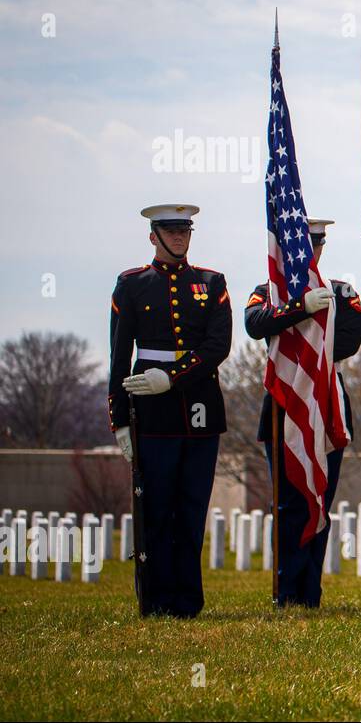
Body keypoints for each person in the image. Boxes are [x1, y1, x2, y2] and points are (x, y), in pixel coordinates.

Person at [108, 203, 232, 617]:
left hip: (198, 405)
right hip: (151, 408)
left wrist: (173, 376)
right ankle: (156, 600)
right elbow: (119, 355)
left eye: (185, 231)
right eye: (171, 231)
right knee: (157, 508)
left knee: (192, 507)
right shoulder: (131, 285)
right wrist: (120, 420)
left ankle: (187, 601)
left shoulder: (212, 283)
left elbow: (218, 346)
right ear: (153, 236)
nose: (180, 238)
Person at [244, 217, 361, 607]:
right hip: (285, 399)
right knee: (287, 501)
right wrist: (298, 308)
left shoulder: (340, 292)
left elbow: (348, 342)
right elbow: (254, 324)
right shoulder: (268, 292)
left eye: (315, 245)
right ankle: (286, 591)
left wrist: (301, 325)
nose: (309, 252)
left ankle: (310, 591)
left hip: (326, 396)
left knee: (319, 497)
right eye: (302, 244)